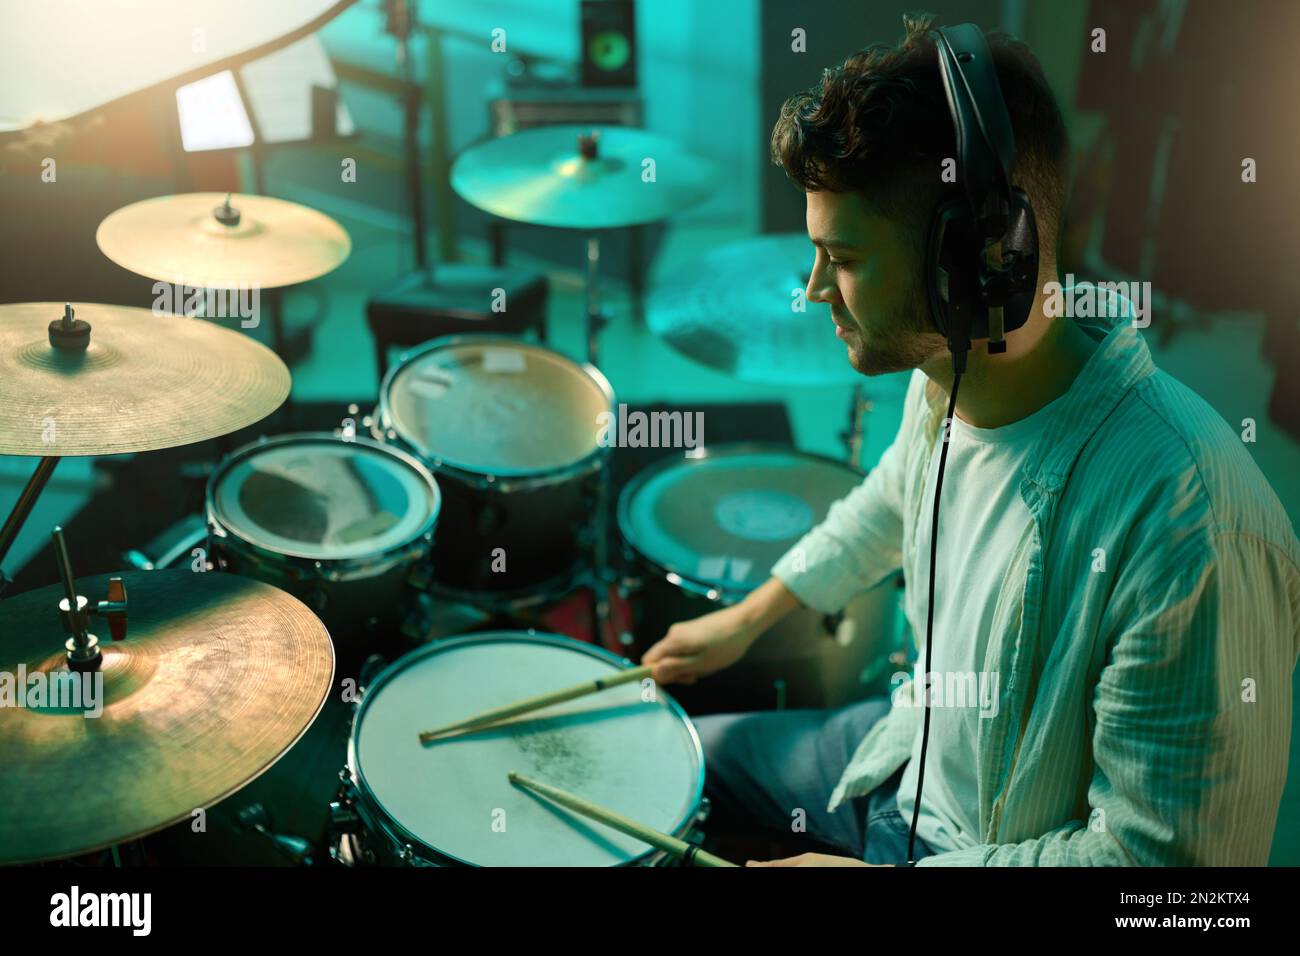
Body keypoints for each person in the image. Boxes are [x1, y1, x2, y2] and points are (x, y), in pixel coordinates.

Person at [642, 12, 1300, 867]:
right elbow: (892, 501)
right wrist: (751, 618)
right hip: (899, 752)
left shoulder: (1194, 533)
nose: (810, 292)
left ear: (979, 262)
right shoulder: (946, 380)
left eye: (839, 258)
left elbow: (1170, 881)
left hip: (975, 851)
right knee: (668, 765)